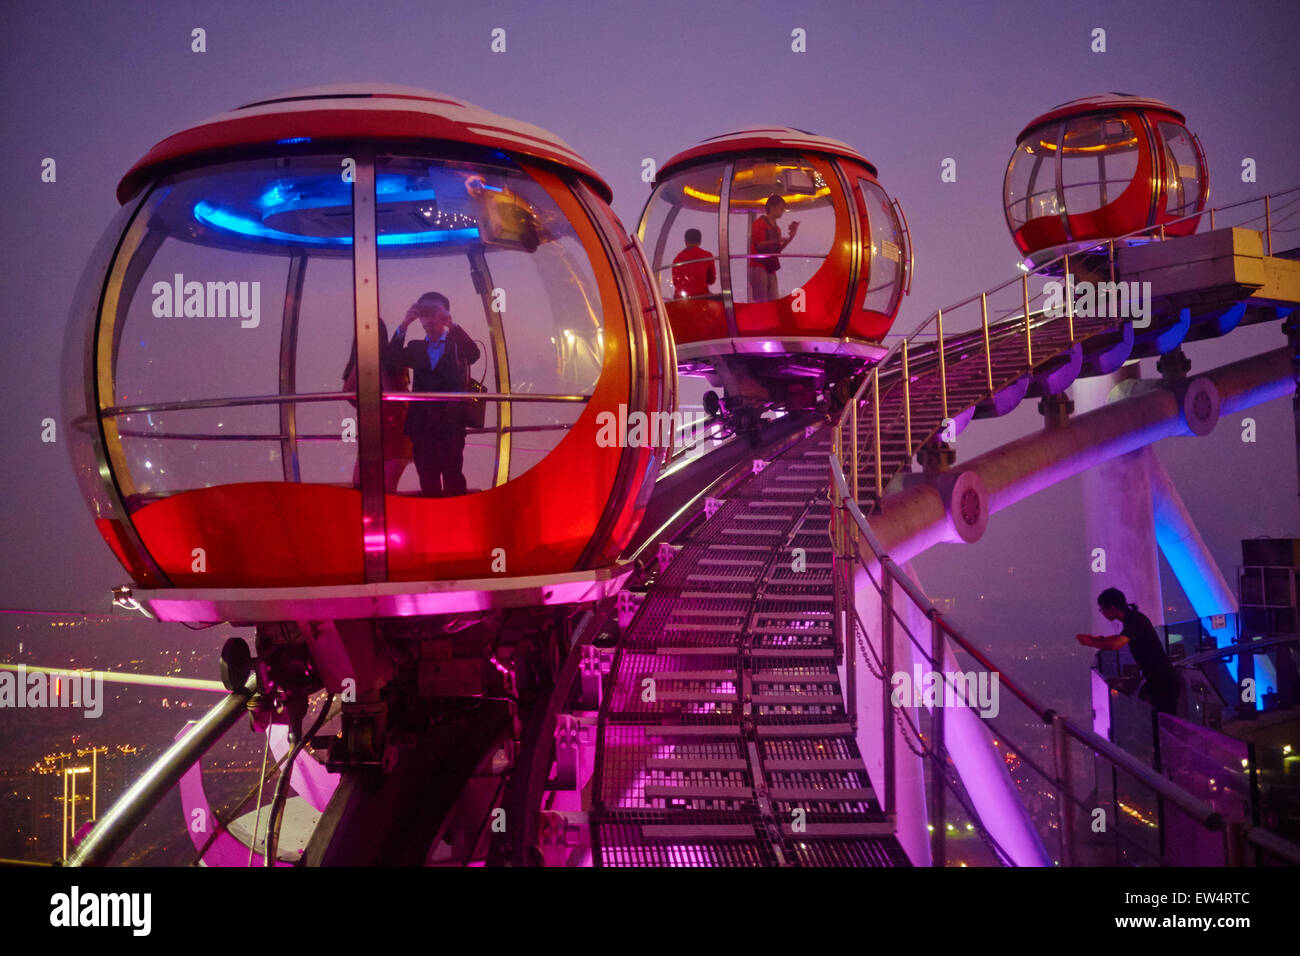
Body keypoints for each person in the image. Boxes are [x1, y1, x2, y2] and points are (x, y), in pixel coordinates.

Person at [390, 292, 481, 497]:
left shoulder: (456, 345)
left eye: (434, 312)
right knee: (427, 480)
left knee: (453, 478)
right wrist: (405, 323)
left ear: (445, 313)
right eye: (424, 312)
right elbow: (392, 358)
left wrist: (452, 325)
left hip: (450, 423)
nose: (429, 319)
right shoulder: (416, 347)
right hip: (422, 426)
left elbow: (474, 354)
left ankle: (456, 521)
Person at [1077, 587, 1181, 714]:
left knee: (1165, 722)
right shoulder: (1133, 618)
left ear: (1113, 608)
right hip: (1161, 679)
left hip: (1163, 681)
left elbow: (1116, 645)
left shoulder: (1134, 621)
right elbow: (1119, 637)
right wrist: (1096, 638)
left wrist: (1090, 643)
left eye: (1103, 609)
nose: (1102, 613)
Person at [341, 317, 412, 493]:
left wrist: (378, 365)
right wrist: (362, 360)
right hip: (373, 432)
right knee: (359, 489)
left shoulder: (395, 361)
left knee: (386, 492)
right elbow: (348, 393)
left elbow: (395, 397)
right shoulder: (360, 362)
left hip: (395, 432)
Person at [748, 194, 798, 302]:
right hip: (758, 266)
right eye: (780, 208)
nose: (782, 211)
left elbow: (777, 250)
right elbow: (759, 244)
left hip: (770, 267)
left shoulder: (777, 229)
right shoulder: (759, 223)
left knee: (773, 300)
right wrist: (778, 240)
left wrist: (791, 237)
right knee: (762, 300)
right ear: (771, 207)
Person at [671, 228, 716, 298]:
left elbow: (675, 282)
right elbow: (711, 280)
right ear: (700, 241)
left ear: (685, 241)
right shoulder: (707, 256)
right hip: (702, 297)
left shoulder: (677, 258)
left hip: (680, 299)